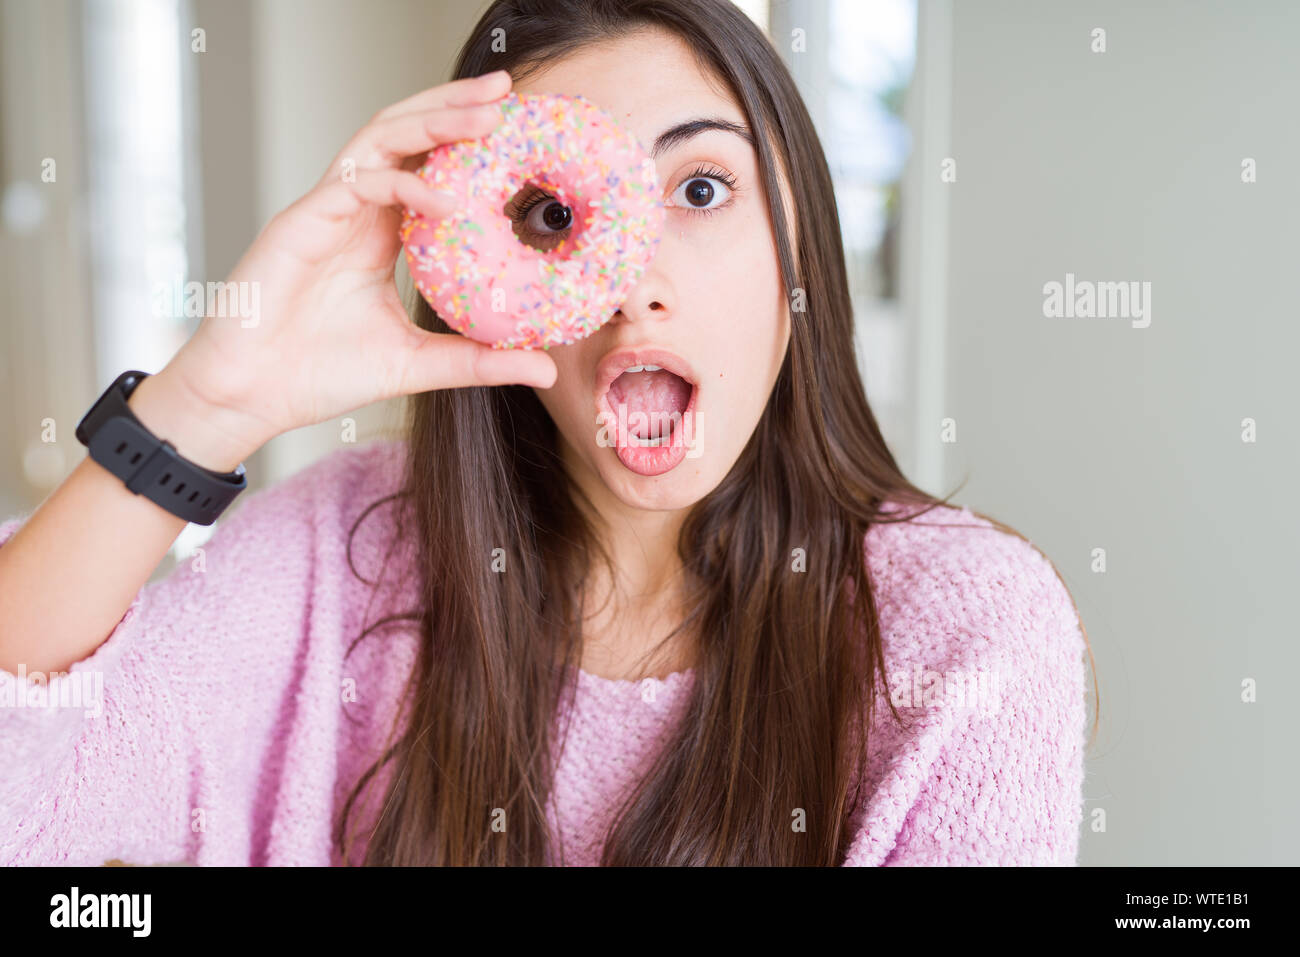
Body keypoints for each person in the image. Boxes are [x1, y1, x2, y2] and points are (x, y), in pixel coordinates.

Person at [0, 0, 1095, 866]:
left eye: (701, 187)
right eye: (551, 216)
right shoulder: (339, 559)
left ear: (797, 252)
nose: (633, 283)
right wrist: (206, 404)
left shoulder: (958, 634)